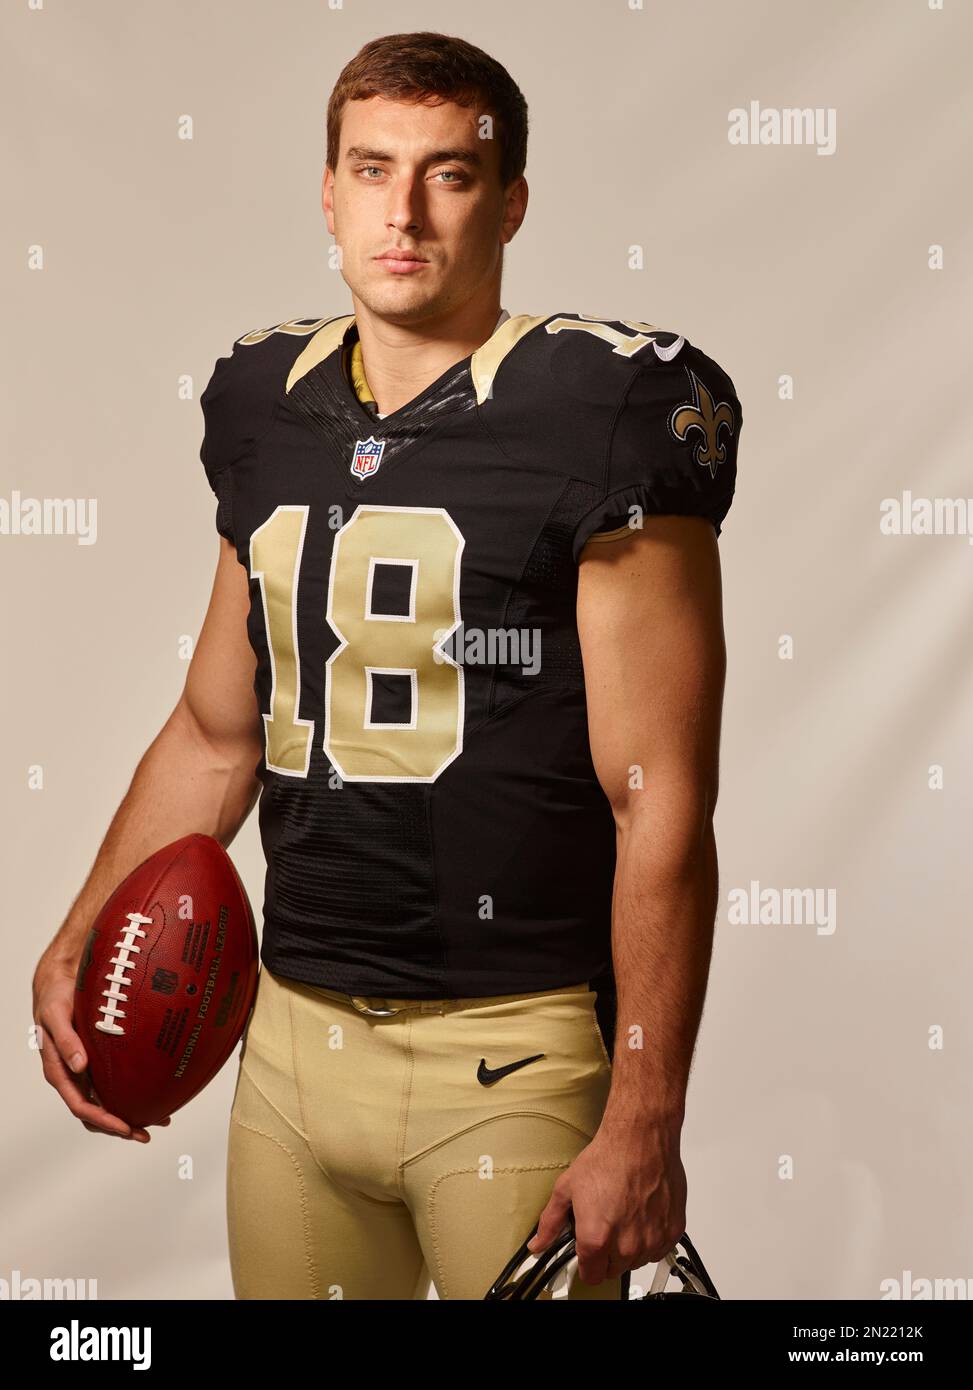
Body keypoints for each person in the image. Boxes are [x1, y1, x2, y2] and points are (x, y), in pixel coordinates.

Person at [32, 30, 742, 1300]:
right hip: (291, 1049)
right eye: (371, 168)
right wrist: (88, 925)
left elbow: (662, 798)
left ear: (512, 199)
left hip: (511, 1056)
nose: (402, 210)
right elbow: (214, 735)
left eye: (449, 174)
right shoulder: (265, 399)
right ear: (327, 189)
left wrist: (643, 1113)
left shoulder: (606, 409)